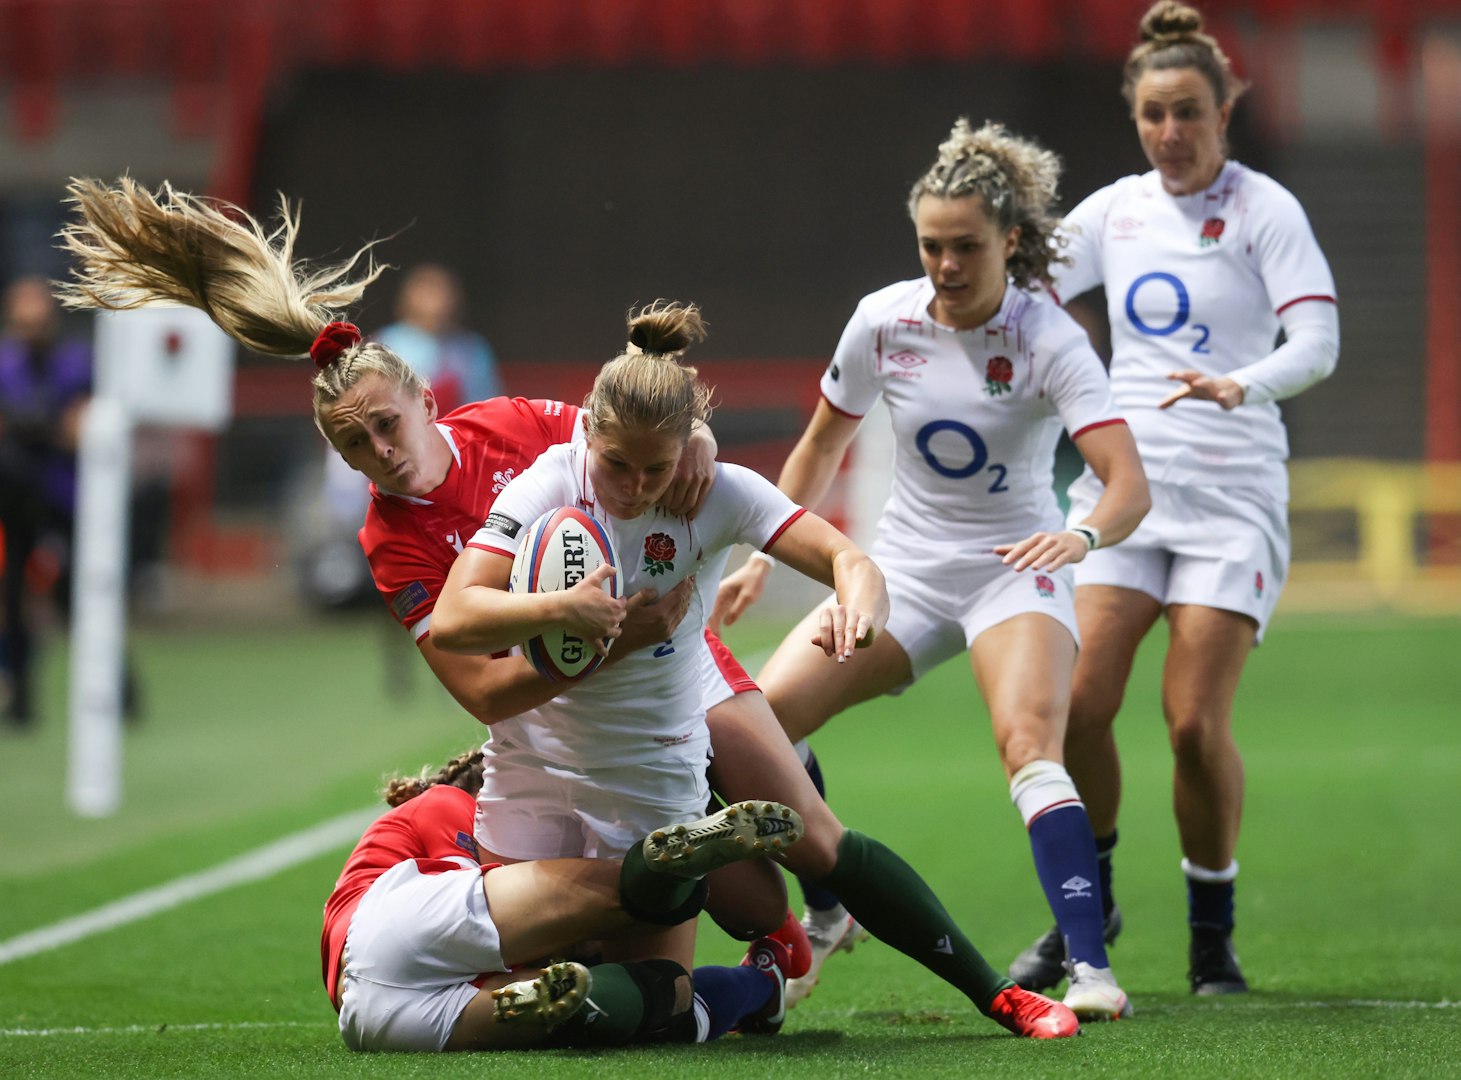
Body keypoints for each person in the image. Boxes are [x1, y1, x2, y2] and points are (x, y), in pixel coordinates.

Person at [55, 179, 1078, 1038]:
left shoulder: (515, 433)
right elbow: (488, 692)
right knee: (617, 946)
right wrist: (588, 638)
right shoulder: (392, 540)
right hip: (553, 728)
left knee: (810, 837)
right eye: (353, 448)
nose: (381, 455)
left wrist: (706, 451)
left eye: (385, 425)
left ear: (426, 398)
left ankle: (971, 983)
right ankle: (731, 944)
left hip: (676, 662)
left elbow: (636, 431)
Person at [431, 300, 1081, 1038]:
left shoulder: (719, 492)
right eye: (617, 464)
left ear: (689, 451)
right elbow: (454, 620)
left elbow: (849, 560)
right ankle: (744, 943)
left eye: (657, 467)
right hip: (531, 765)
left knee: (657, 1011)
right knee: (521, 1010)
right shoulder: (549, 483)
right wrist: (558, 611)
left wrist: (857, 606)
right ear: (587, 431)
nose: (637, 486)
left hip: (650, 770)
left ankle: (993, 994)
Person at [712, 119, 1151, 1021]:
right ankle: (829, 910)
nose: (946, 264)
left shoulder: (1048, 338)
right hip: (902, 568)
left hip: (1013, 570)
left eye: (966, 247)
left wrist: (1082, 539)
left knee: (1029, 742)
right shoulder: (884, 319)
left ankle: (1092, 969)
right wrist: (765, 555)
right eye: (930, 245)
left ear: (1011, 242)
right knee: (758, 722)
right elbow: (821, 444)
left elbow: (1126, 485)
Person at [1010, 1, 1341, 996]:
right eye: (1154, 114)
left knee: (1192, 723)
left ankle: (1212, 936)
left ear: (1225, 109)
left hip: (1234, 495)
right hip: (1131, 495)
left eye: (1189, 112)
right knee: (1077, 708)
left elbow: (1317, 343)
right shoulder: (1115, 213)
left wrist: (1247, 382)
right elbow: (1021, 293)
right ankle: (1092, 903)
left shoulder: (1264, 211)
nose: (1171, 133)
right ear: (1136, 115)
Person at [323, 746, 805, 1051]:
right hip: (393, 930)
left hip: (371, 1017)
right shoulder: (448, 804)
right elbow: (512, 901)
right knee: (617, 901)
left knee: (641, 1000)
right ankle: (666, 865)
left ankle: (567, 998)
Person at [0, 276, 93, 726]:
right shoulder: (5, 364)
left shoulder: (75, 362)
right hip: (16, 494)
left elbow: (76, 427)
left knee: (82, 594)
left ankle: (116, 690)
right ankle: (21, 699)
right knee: (14, 596)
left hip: (64, 492)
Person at [375, 263, 502, 412]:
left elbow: (487, 406)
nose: (435, 301)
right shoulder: (385, 344)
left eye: (441, 292)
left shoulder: (471, 348)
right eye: (426, 292)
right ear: (407, 297)